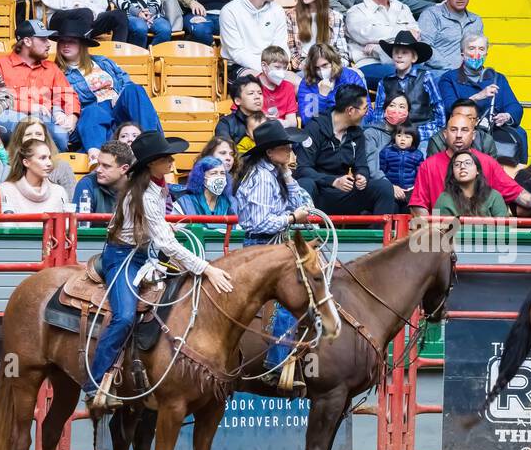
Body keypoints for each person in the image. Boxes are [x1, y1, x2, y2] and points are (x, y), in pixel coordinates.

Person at [86, 130, 233, 405]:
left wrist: (168, 227)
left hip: (143, 253)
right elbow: (166, 244)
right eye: (166, 158)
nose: (172, 163)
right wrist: (207, 268)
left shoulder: (156, 186)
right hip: (122, 256)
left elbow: (155, 229)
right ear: (152, 163)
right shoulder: (142, 194)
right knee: (124, 316)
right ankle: (94, 381)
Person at [233, 117, 310, 383]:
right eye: (285, 148)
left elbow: (303, 204)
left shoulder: (275, 173)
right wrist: (292, 219)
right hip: (261, 247)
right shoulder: (263, 178)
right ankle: (275, 364)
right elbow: (259, 222)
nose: (290, 151)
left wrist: (288, 175)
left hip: (272, 246)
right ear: (270, 151)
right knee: (292, 298)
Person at [50, 8, 162, 155]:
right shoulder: (57, 72)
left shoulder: (102, 62)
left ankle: (152, 145)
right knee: (93, 110)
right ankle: (97, 158)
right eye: (62, 42)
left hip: (118, 109)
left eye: (71, 41)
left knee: (134, 89)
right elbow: (60, 102)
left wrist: (119, 95)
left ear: (82, 44)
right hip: (92, 119)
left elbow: (125, 81)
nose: (65, 45)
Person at [407, 109, 531, 216]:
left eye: (464, 130)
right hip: (444, 238)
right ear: (445, 134)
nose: (458, 135)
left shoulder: (488, 163)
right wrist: (432, 234)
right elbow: (418, 205)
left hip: (482, 237)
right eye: (453, 130)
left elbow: (517, 193)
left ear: (473, 135)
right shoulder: (429, 165)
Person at [293, 82, 396, 215]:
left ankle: (379, 234)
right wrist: (333, 181)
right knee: (304, 184)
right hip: (320, 193)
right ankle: (306, 234)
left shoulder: (357, 133)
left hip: (346, 192)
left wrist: (362, 176)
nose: (367, 113)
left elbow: (362, 165)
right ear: (350, 111)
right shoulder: (315, 128)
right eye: (365, 108)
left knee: (384, 187)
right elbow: (303, 169)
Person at [434, 34, 526, 164]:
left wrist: (507, 116)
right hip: (463, 130)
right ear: (462, 53)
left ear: (486, 53)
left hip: (494, 129)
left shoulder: (497, 78)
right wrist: (478, 96)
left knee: (520, 133)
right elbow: (450, 107)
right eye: (471, 48)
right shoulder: (449, 78)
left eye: (481, 49)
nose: (476, 54)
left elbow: (515, 106)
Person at [0, 19, 79, 147]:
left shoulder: (51, 67)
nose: (49, 44)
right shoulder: (1, 64)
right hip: (11, 117)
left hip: (45, 119)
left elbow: (68, 95)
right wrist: (30, 107)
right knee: (29, 128)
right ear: (27, 41)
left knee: (60, 136)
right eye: (43, 39)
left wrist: (72, 116)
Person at [344, 0, 417, 92]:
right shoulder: (356, 12)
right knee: (402, 75)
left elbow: (415, 35)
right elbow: (369, 34)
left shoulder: (402, 8)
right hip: (369, 63)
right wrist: (404, 32)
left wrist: (377, 47)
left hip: (403, 61)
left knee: (425, 73)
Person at [367, 30, 444, 144]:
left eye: (404, 52)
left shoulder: (426, 77)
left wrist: (418, 134)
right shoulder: (384, 82)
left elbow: (439, 109)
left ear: (413, 58)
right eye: (396, 52)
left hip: (421, 134)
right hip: (392, 135)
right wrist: (391, 133)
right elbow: (378, 114)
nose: (399, 55)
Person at [220, 0, 288, 76]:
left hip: (273, 67)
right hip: (238, 66)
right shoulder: (229, 11)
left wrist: (278, 67)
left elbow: (281, 45)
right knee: (264, 83)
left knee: (297, 84)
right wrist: (267, 69)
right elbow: (237, 53)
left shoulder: (277, 10)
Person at [419, 0, 483, 73]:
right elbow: (425, 48)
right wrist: (452, 70)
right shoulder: (431, 15)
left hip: (468, 75)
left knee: (499, 81)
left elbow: (479, 51)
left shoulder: (476, 20)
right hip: (438, 74)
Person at [287, 0, 349, 69]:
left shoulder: (335, 17)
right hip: (305, 68)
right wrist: (311, 68)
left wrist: (332, 68)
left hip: (330, 67)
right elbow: (292, 53)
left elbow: (343, 53)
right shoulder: (291, 16)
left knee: (358, 75)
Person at [0, 136, 72, 215]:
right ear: (26, 162)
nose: (49, 163)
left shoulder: (59, 192)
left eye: (49, 158)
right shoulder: (4, 191)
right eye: (43, 158)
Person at [296, 40, 365, 122]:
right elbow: (308, 120)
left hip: (352, 127)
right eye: (317, 68)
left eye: (325, 65)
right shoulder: (307, 84)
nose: (321, 71)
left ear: (333, 62)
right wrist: (322, 96)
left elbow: (366, 112)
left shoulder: (350, 77)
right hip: (323, 130)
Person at [6, 115, 77, 194]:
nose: (34, 138)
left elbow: (71, 202)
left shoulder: (62, 167)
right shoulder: (8, 168)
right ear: (19, 139)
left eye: (38, 134)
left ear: (45, 138)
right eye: (28, 134)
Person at [433, 147, 508, 218]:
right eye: (457, 164)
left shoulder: (494, 196)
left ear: (477, 170)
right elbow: (435, 228)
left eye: (468, 163)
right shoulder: (443, 198)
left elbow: (504, 229)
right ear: (453, 172)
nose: (462, 166)